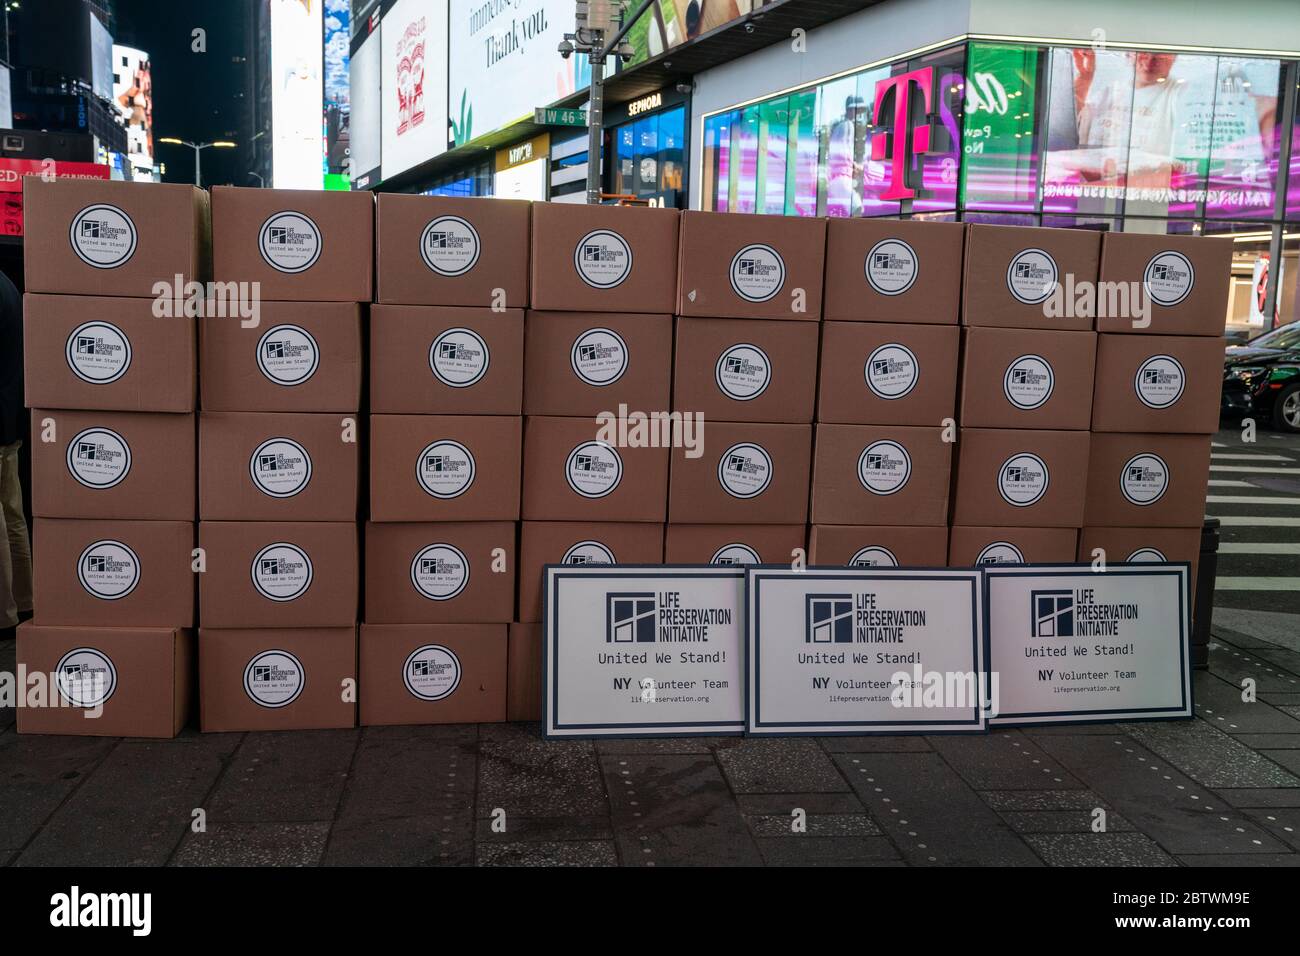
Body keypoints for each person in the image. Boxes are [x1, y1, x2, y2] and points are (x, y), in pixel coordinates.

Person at [0, 266, 31, 641]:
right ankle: (25, 599)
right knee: (12, 516)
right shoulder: (8, 283)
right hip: (9, 419)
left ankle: (4, 614)